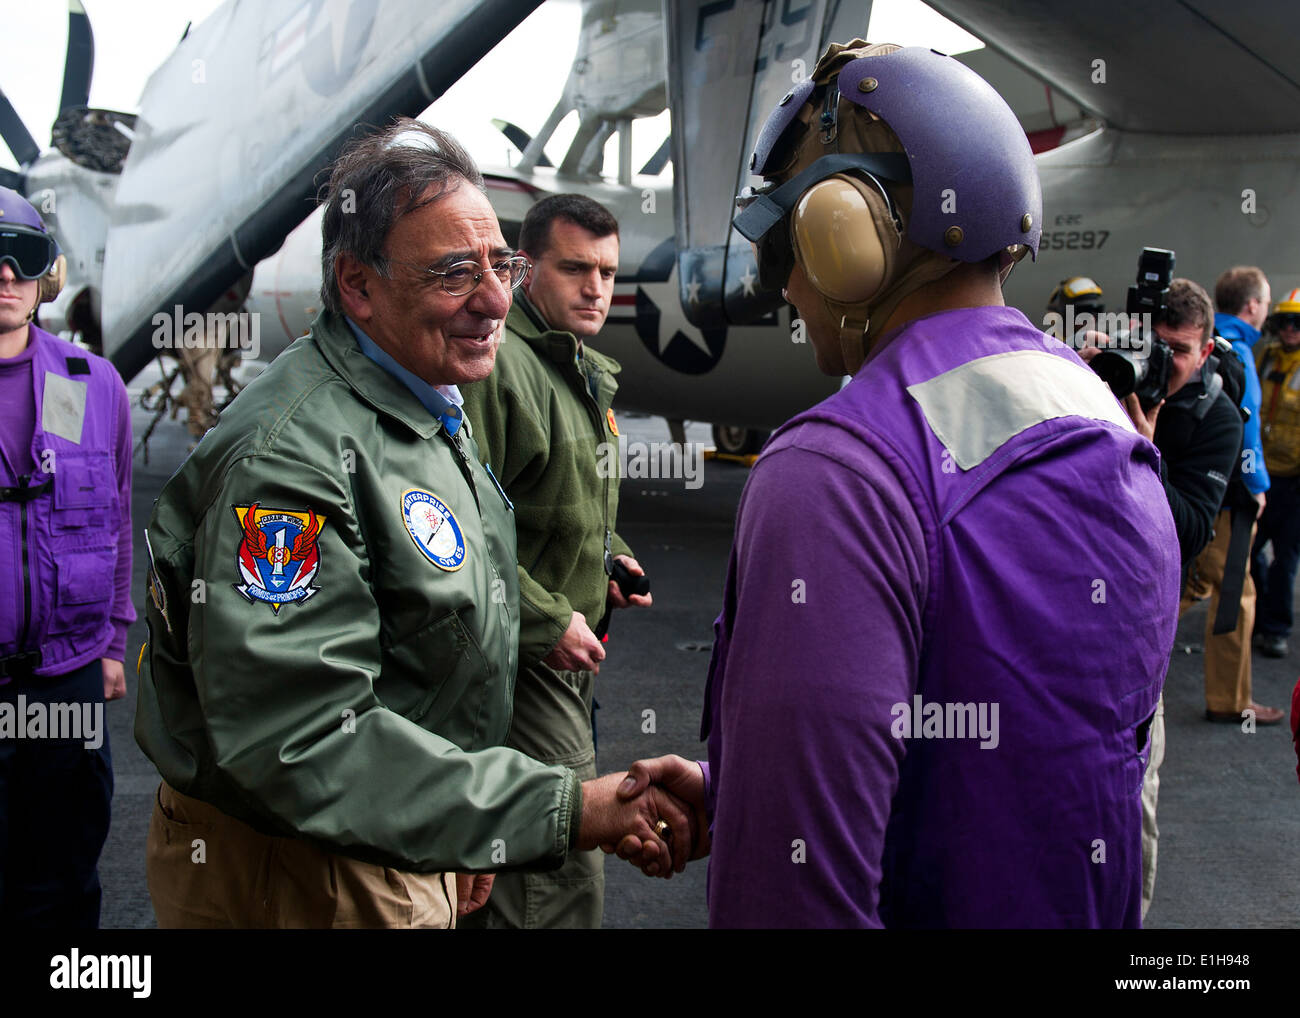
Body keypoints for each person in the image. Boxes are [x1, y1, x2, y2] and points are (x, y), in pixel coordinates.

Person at [612, 42, 1180, 927]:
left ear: (850, 238)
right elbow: (1030, 749)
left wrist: (778, 804)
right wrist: (752, 779)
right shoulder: (1108, 419)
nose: (788, 285)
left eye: (789, 243)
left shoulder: (837, 470)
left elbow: (794, 901)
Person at [134, 120, 692, 929]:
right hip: (308, 867)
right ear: (357, 285)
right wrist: (566, 808)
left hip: (394, 833)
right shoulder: (288, 467)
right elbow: (303, 741)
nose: (497, 300)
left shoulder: (420, 401)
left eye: (501, 265)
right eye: (454, 273)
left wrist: (465, 836)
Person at [459, 194, 651, 928]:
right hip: (524, 666)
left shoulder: (571, 364)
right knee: (556, 874)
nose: (596, 286)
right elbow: (464, 527)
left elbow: (559, 504)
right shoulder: (501, 368)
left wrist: (615, 559)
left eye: (606, 270)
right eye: (575, 268)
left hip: (571, 662)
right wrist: (543, 621)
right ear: (525, 269)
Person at [0, 186, 133, 926]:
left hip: (66, 680)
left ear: (44, 273)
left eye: (21, 258)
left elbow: (112, 515)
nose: (5, 277)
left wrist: (113, 641)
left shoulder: (89, 385)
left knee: (63, 879)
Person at [1118, 277, 1244, 917]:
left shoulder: (1217, 417)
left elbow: (1191, 531)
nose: (1165, 364)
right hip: (1062, 608)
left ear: (1207, 349)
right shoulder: (1105, 381)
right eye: (1156, 347)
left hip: (1140, 618)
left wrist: (1142, 448)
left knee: (1133, 790)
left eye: (1182, 352)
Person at [1181, 266, 1280, 724]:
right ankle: (1230, 701)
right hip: (1230, 501)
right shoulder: (1239, 353)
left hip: (1201, 493)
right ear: (1254, 305)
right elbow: (1248, 431)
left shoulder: (1209, 344)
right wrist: (1256, 489)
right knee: (1236, 593)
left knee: (1196, 582)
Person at [1251, 289, 1300, 660]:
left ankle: (1276, 628)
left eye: (1296, 323)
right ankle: (1261, 617)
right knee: (1252, 550)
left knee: (1286, 558)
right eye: (1284, 322)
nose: (1289, 329)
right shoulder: (1267, 357)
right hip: (1266, 473)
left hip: (1295, 480)